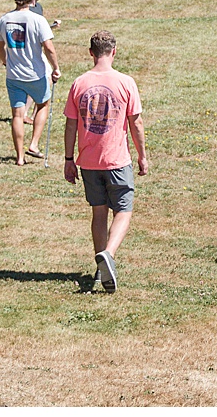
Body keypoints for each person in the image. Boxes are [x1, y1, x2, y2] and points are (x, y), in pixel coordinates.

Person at [63, 30, 146, 292]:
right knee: (123, 210)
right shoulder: (125, 82)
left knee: (98, 212)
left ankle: (101, 270)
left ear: (91, 53)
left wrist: (68, 159)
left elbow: (70, 125)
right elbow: (136, 123)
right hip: (117, 160)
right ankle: (108, 254)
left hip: (88, 161)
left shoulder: (79, 83)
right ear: (114, 51)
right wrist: (142, 155)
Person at [0, 0, 60, 164]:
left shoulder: (4, 19)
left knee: (17, 115)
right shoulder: (38, 20)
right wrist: (56, 68)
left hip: (13, 75)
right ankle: (34, 144)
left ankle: (20, 157)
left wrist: (6, 62)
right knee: (43, 105)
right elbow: (49, 48)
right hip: (36, 74)